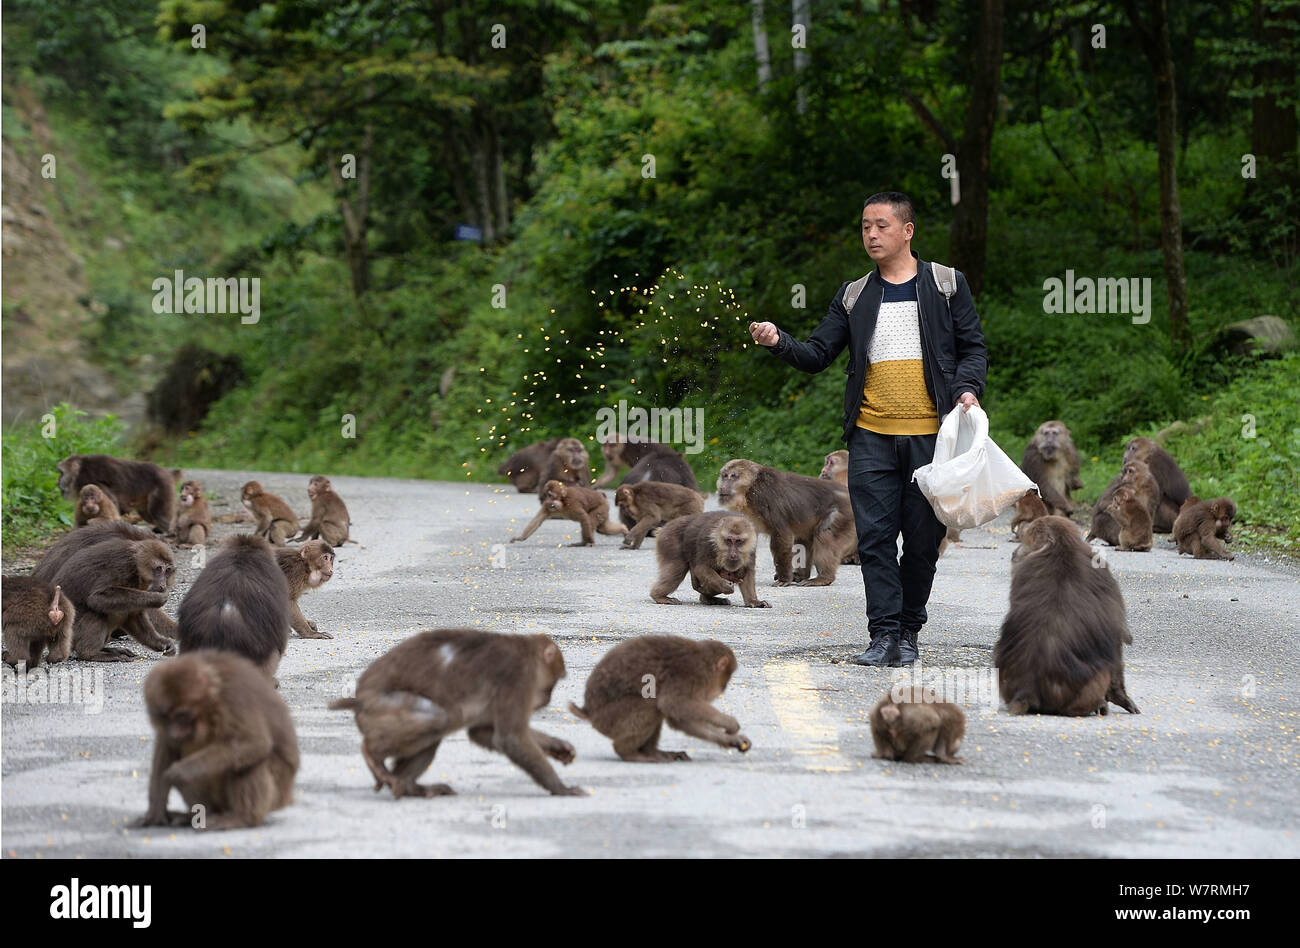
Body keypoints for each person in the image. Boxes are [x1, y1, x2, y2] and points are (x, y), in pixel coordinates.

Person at [749, 191, 988, 666]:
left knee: (921, 544)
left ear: (907, 231)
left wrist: (966, 388)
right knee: (876, 540)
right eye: (864, 227)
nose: (872, 234)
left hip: (930, 440)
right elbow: (818, 354)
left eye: (881, 225)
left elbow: (973, 348)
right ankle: (882, 636)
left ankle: (909, 632)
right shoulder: (855, 294)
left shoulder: (945, 285)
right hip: (871, 437)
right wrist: (779, 341)